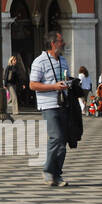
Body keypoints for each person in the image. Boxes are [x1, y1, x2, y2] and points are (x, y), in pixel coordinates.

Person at [30, 30, 72, 187]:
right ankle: (48, 170)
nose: (64, 43)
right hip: (48, 105)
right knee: (56, 137)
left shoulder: (63, 60)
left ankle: (57, 174)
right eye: (61, 41)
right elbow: (33, 84)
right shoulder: (39, 61)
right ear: (53, 44)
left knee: (63, 141)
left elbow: (65, 79)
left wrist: (69, 83)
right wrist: (54, 86)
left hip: (63, 103)